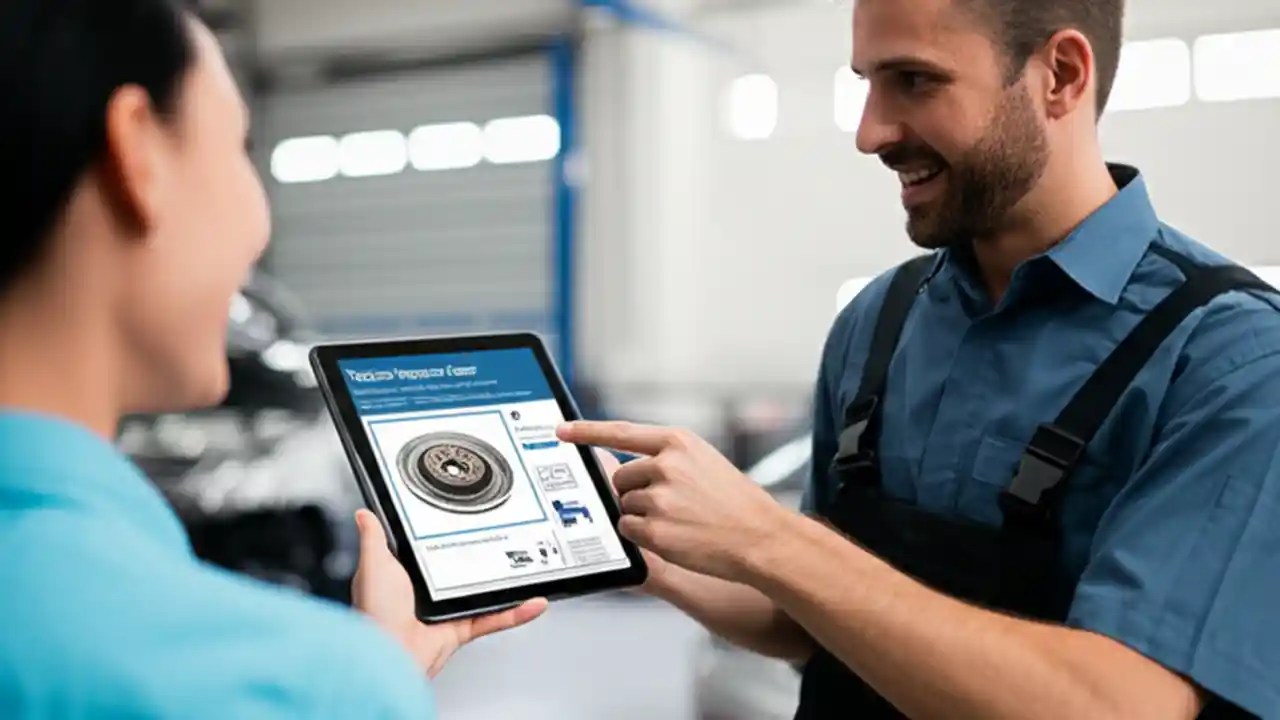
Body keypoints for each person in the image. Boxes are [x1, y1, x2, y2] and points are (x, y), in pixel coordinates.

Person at [559, 0, 1280, 717]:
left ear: (1060, 74)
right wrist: (645, 552)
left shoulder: (1232, 360)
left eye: (914, 81)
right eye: (867, 83)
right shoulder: (879, 321)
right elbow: (815, 617)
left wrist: (767, 536)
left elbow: (1119, 705)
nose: (870, 132)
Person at [0, 2, 543, 717]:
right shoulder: (287, 685)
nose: (259, 227)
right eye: (238, 148)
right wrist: (361, 688)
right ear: (138, 155)